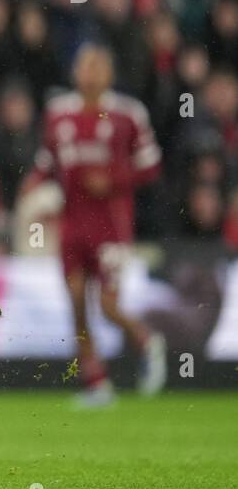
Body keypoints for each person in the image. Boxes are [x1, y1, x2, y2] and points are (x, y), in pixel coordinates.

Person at [30, 43, 167, 406]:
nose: (89, 73)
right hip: (72, 224)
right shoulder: (58, 114)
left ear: (109, 73)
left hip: (111, 225)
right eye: (84, 65)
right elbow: (46, 165)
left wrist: (114, 178)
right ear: (76, 72)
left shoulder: (128, 114)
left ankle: (147, 341)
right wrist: (36, 196)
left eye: (97, 66)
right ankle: (97, 382)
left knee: (107, 304)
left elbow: (151, 165)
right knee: (75, 303)